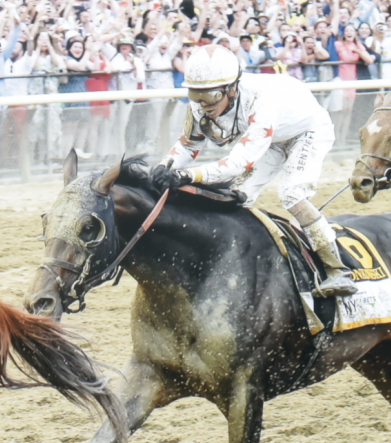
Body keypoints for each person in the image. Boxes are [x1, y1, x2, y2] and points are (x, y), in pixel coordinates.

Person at [150, 44, 356, 298]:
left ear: (232, 88)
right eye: (195, 94)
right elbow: (188, 145)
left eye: (211, 95)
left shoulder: (261, 100)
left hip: (307, 132)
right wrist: (164, 166)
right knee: (237, 195)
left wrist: (188, 175)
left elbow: (239, 162)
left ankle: (338, 269)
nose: (203, 104)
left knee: (292, 194)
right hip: (273, 139)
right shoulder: (201, 104)